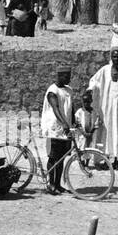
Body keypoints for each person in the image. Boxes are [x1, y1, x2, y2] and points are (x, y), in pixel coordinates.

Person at [40, 67, 75, 195]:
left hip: (66, 129)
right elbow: (56, 109)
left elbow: (71, 107)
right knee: (53, 157)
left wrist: (73, 122)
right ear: (60, 76)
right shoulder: (52, 91)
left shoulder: (69, 90)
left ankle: (58, 184)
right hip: (54, 129)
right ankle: (51, 184)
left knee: (61, 158)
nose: (69, 79)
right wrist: (64, 123)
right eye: (67, 76)